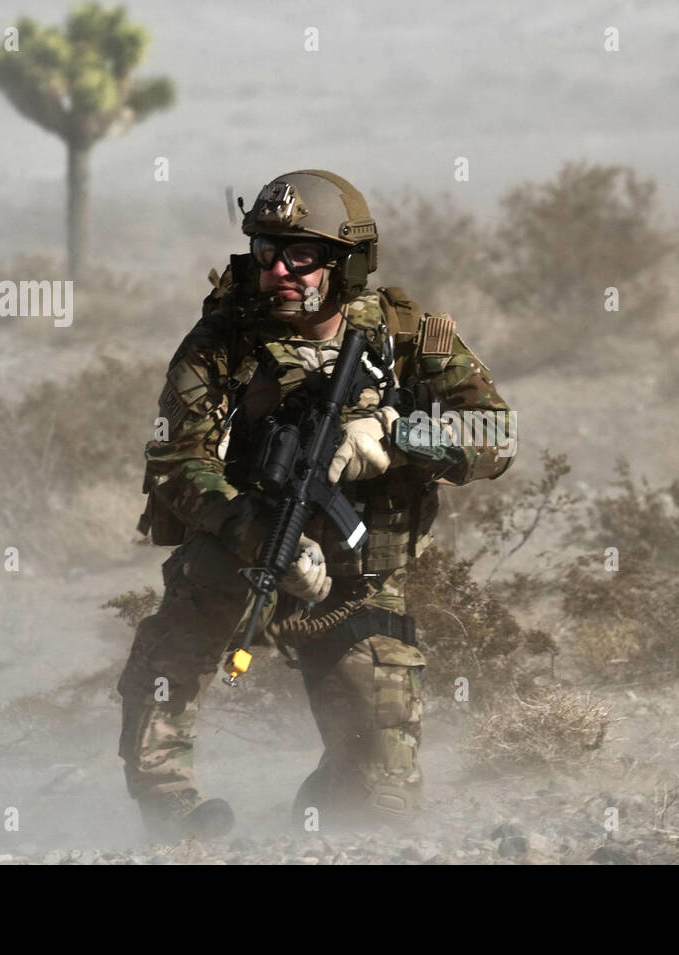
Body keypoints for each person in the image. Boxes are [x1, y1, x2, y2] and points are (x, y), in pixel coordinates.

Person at [117, 169, 518, 841]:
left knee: (381, 803)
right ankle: (171, 813)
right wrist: (253, 529)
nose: (280, 271)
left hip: (360, 579)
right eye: (268, 252)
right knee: (172, 653)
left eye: (301, 255)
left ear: (345, 262)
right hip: (249, 548)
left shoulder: (403, 331)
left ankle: (315, 816)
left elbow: (498, 434)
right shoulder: (222, 340)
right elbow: (175, 461)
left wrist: (397, 439)